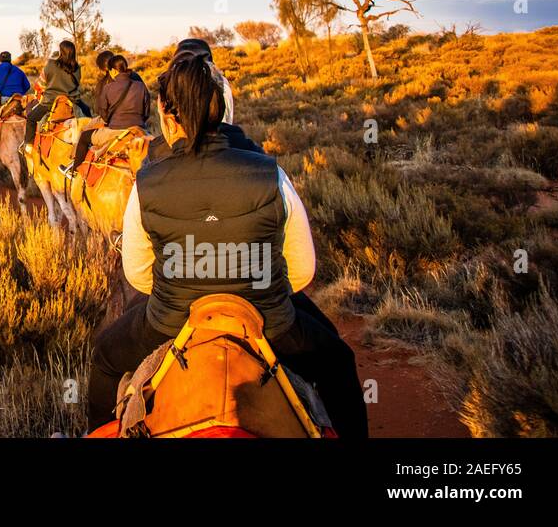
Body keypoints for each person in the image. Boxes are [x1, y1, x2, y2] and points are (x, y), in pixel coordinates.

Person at [86, 54, 367, 438]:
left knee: (104, 357)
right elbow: (302, 271)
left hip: (172, 320)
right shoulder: (270, 172)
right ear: (220, 111)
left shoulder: (147, 182)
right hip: (269, 320)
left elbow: (137, 275)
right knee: (337, 361)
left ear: (169, 118)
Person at [65, 55, 150, 175]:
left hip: (115, 131)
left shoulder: (107, 88)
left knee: (84, 137)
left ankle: (74, 172)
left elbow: (104, 116)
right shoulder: (141, 86)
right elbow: (146, 113)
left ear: (113, 70)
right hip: (139, 130)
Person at [25, 39, 90, 146]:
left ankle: (28, 145)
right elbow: (77, 85)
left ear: (61, 51)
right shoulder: (77, 68)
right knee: (88, 114)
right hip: (73, 102)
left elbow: (41, 84)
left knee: (31, 118)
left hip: (50, 102)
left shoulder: (51, 64)